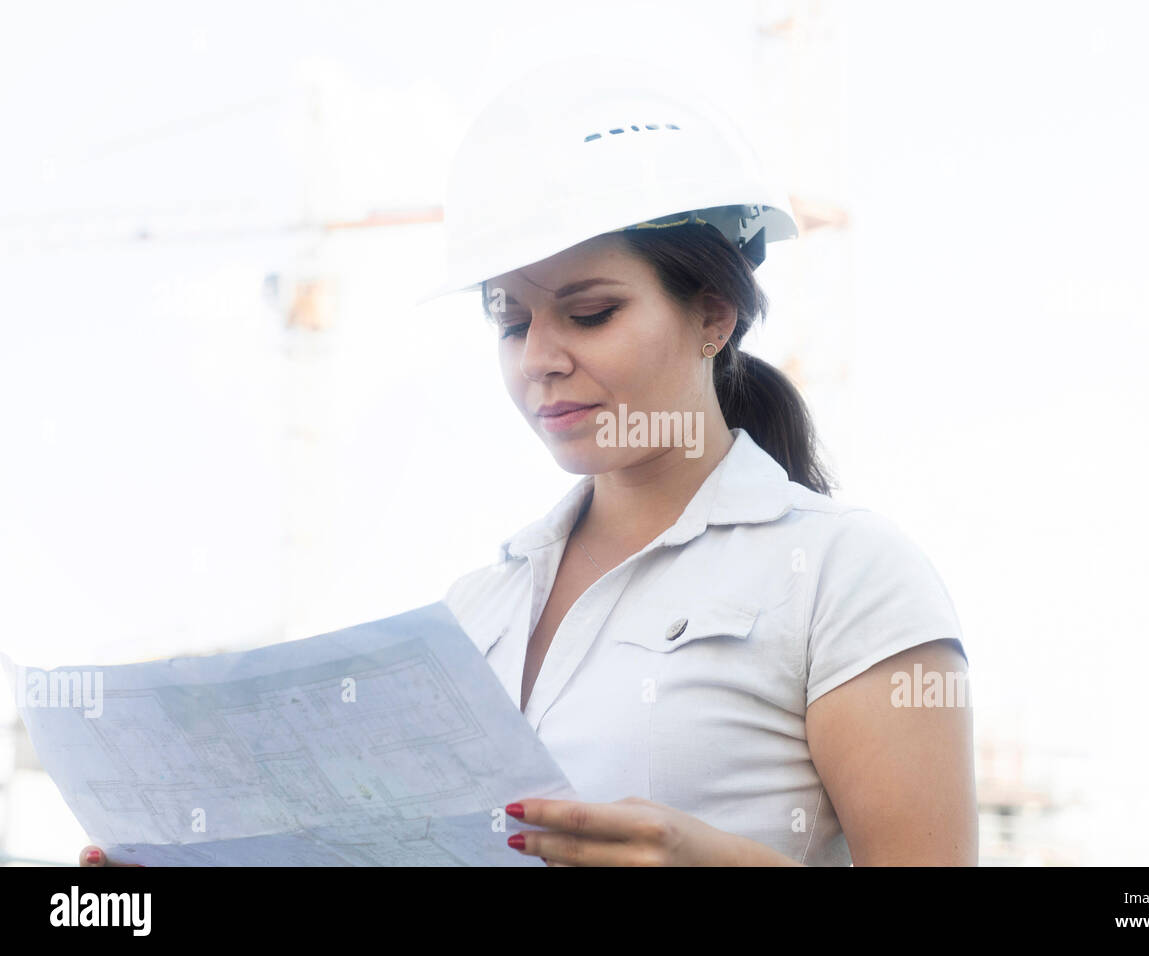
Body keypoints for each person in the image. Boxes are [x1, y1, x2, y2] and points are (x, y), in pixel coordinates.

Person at [81, 55, 975, 869]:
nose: (536, 357)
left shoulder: (845, 575)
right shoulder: (480, 609)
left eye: (587, 314)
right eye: (510, 322)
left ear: (714, 315)